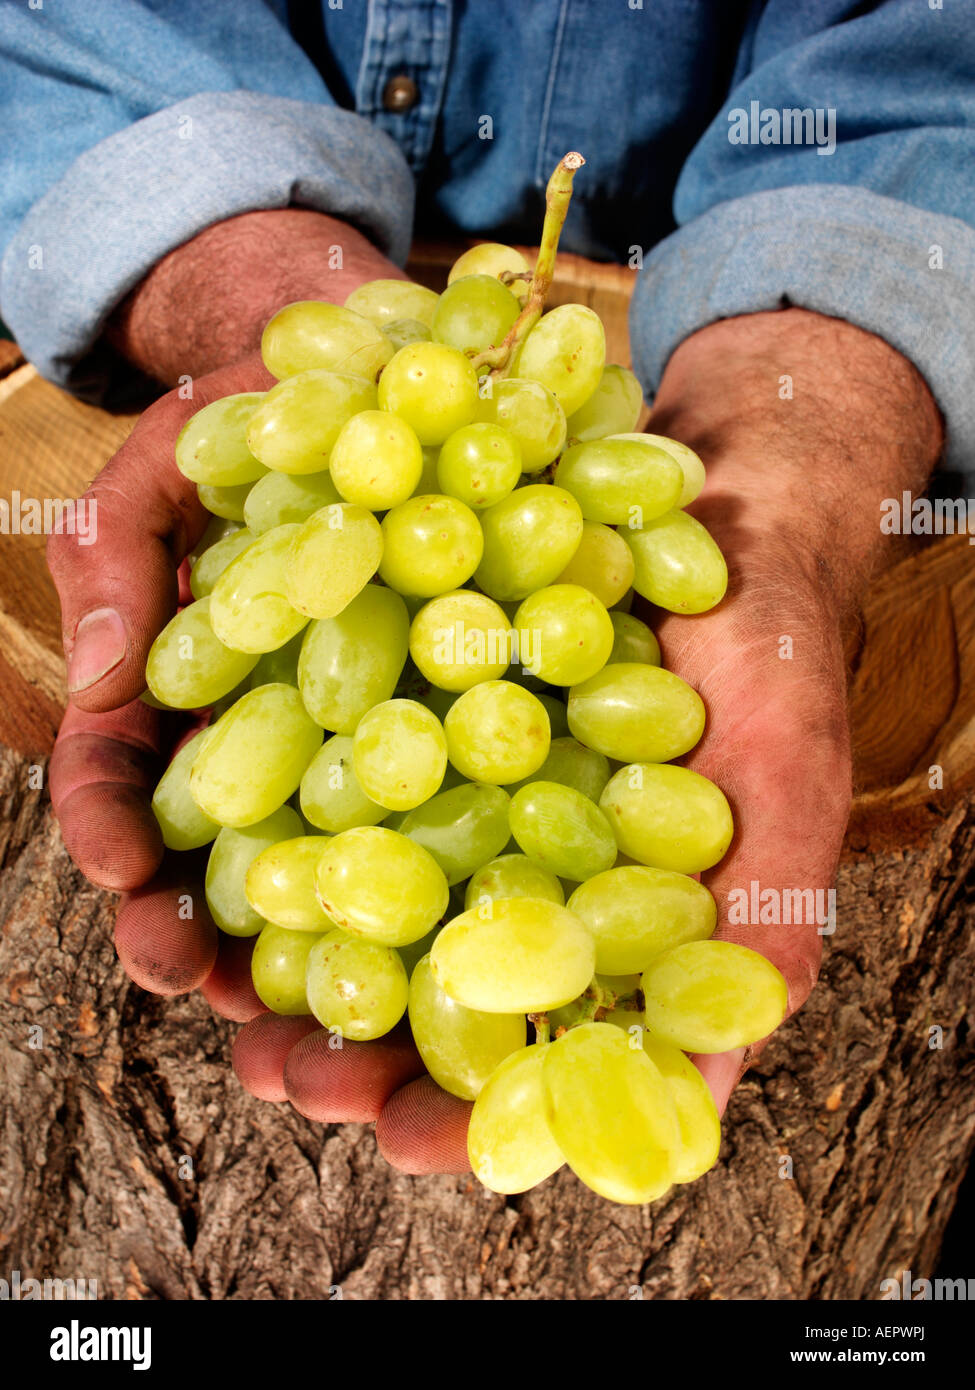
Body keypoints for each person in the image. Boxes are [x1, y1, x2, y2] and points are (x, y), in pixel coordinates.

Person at [2, 0, 970, 1175]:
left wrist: (806, 402)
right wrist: (226, 256)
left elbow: (926, 56)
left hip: (684, 301)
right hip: (354, 292)